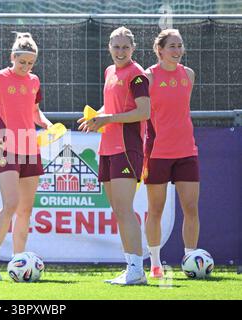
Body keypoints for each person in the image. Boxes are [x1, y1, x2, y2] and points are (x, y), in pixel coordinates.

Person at [0, 32, 53, 281]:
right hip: (6, 148)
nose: (26, 67)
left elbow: (35, 113)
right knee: (10, 205)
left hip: (31, 149)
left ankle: (19, 262)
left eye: (30, 63)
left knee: (25, 210)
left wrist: (48, 125)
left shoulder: (34, 81)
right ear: (12, 57)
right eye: (22, 62)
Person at [78, 26, 150, 285]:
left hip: (126, 148)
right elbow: (112, 106)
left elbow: (144, 112)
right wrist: (96, 117)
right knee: (118, 211)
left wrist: (108, 118)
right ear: (109, 47)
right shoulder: (110, 71)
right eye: (116, 47)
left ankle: (136, 269)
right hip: (107, 148)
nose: (120, 52)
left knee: (124, 209)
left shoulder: (138, 75)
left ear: (133, 48)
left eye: (125, 47)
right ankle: (131, 266)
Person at [144, 29, 200, 279]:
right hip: (157, 153)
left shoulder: (188, 74)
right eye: (172, 46)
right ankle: (155, 263)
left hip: (187, 151)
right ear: (160, 50)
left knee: (191, 208)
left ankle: (191, 260)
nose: (177, 51)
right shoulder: (149, 77)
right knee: (155, 210)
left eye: (180, 46)